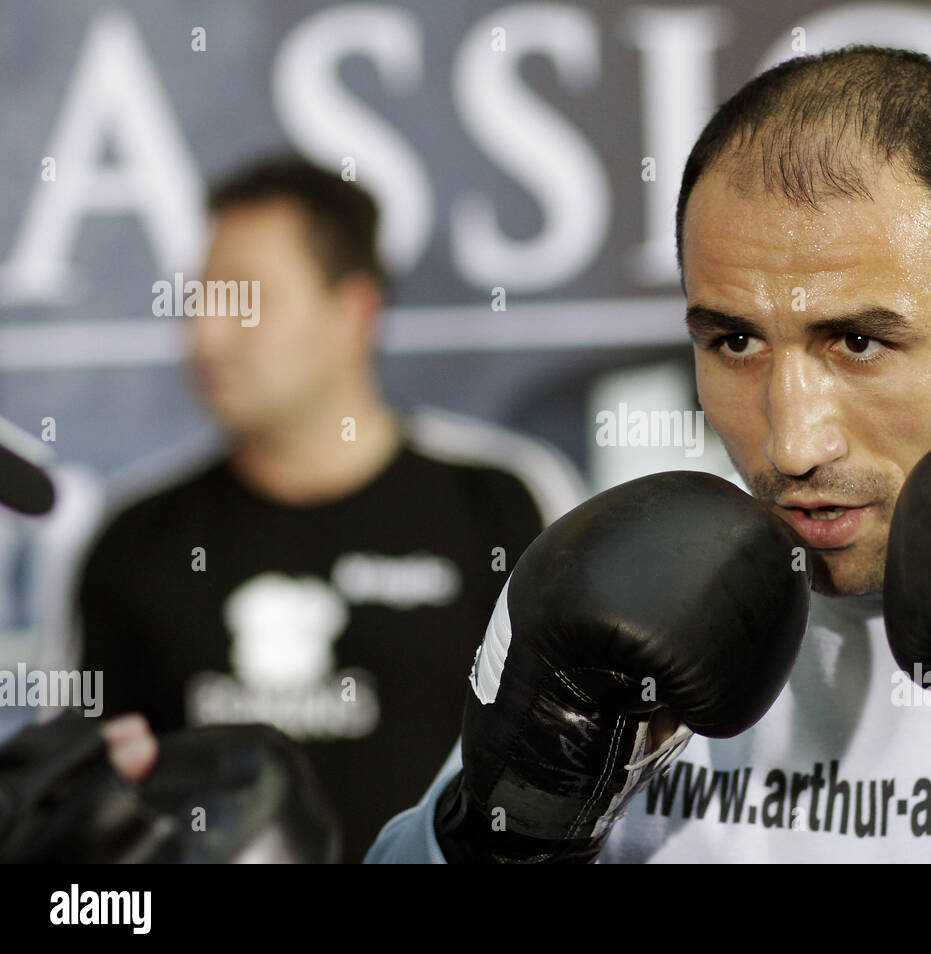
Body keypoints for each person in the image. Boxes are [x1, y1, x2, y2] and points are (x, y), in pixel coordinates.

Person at [367, 45, 931, 864]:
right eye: (733, 342)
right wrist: (499, 834)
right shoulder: (631, 607)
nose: (791, 442)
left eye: (859, 342)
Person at [76, 157, 585, 863]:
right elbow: (88, 822)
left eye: (245, 302)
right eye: (200, 301)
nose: (208, 336)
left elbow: (575, 774)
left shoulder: (504, 501)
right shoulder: (133, 540)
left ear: (353, 309)